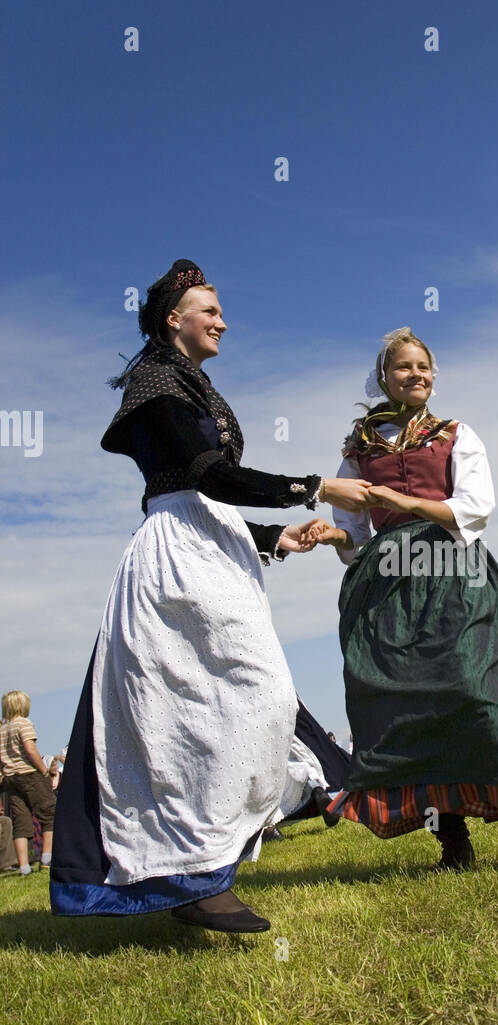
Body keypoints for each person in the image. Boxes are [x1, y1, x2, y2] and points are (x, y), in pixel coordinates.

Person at [50, 259, 372, 933]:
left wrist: (279, 538)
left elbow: (210, 496)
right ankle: (193, 878)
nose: (223, 320)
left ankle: (199, 872)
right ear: (175, 319)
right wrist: (316, 487)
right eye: (210, 310)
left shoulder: (188, 382)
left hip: (213, 548)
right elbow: (205, 479)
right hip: (178, 563)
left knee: (244, 703)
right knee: (227, 704)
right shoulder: (156, 382)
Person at [299, 326, 498, 868]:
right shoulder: (359, 448)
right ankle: (451, 840)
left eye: (424, 367)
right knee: (405, 701)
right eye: (404, 368)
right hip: (386, 580)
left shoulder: (457, 434)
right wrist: (332, 534)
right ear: (383, 377)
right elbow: (357, 532)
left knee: (470, 684)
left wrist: (401, 500)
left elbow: (476, 508)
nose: (416, 375)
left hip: (452, 568)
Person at [0, 691, 55, 874]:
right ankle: (46, 859)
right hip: (29, 774)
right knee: (49, 814)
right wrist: (44, 770)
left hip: (10, 778)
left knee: (21, 822)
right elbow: (30, 749)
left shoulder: (3, 729)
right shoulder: (24, 724)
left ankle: (24, 867)